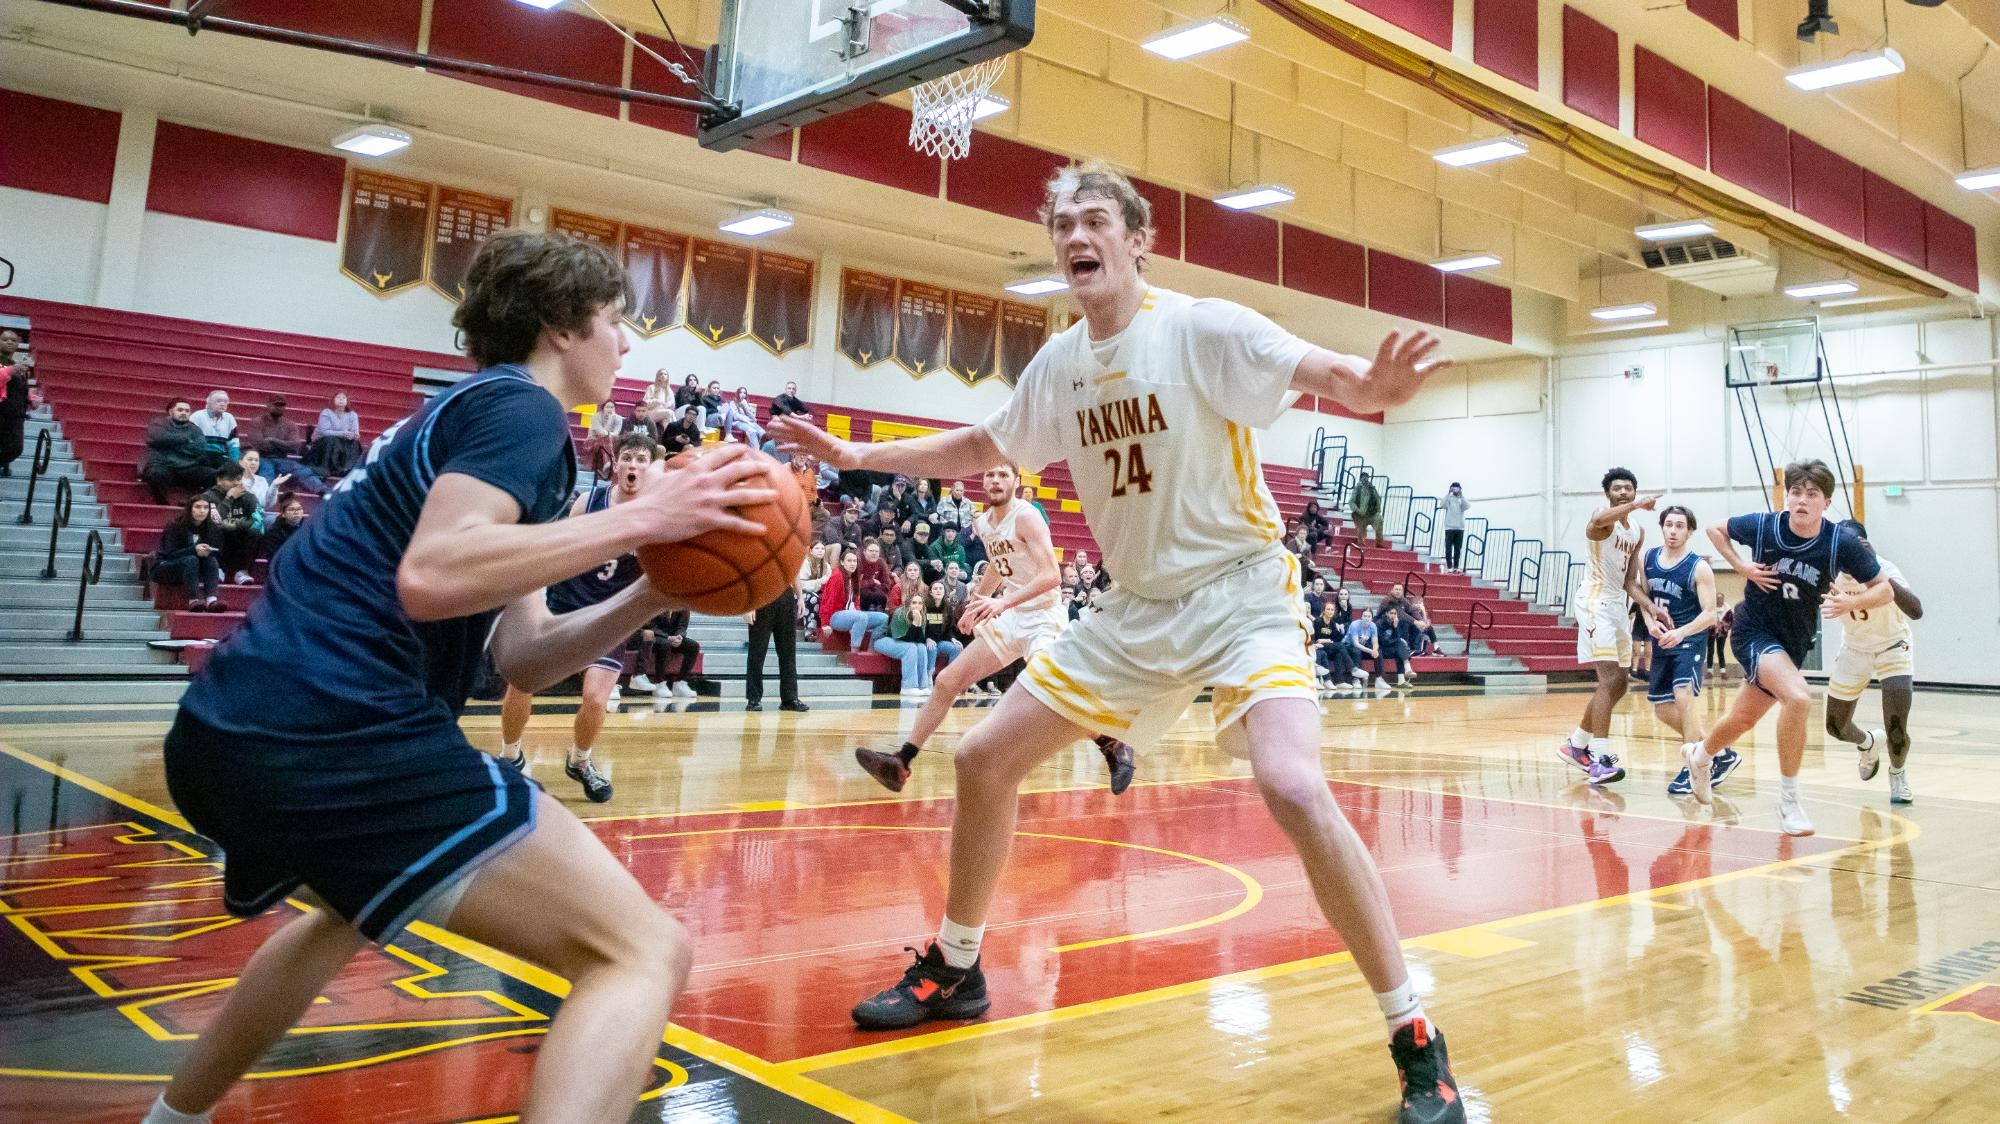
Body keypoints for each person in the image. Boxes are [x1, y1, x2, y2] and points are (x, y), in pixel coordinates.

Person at [770, 160, 1461, 1122]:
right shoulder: (1060, 363)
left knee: (1293, 785)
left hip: (1241, 596)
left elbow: (1318, 369)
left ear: (1141, 240)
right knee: (980, 761)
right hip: (1134, 611)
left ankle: (1414, 1033)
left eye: (1096, 220)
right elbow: (987, 446)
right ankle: (959, 969)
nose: (1075, 238)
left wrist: (1367, 384)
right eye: (1062, 226)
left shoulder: (1200, 328)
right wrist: (857, 455)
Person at [143, 231, 779, 1124]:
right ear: (560, 325)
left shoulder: (468, 420)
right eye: (615, 320)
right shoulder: (521, 412)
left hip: (230, 722)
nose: (626, 345)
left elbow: (523, 655)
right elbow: (435, 574)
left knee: (344, 914)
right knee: (641, 952)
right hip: (338, 727)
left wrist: (651, 586)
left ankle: (171, 1120)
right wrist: (645, 518)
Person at [853, 463, 1136, 794]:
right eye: (990, 475)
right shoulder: (983, 522)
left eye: (1003, 475)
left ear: (1016, 481)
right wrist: (976, 602)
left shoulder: (1027, 516)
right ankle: (901, 762)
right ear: (983, 481)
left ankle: (1113, 744)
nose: (996, 480)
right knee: (947, 681)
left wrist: (1001, 604)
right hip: (1014, 616)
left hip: (1044, 617)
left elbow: (1052, 576)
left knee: (1056, 695)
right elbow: (1000, 569)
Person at [1682, 460, 1889, 836]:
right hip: (1753, 630)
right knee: (1798, 697)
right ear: (1786, 496)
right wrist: (1741, 566)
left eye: (1811, 494)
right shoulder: (1764, 526)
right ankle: (1789, 801)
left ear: (1826, 503)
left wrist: (1851, 604)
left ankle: (1700, 756)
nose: (1801, 500)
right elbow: (1715, 529)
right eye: (1795, 492)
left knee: (1743, 719)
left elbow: (1885, 589)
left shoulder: (1838, 542)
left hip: (1792, 640)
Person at [495, 433, 662, 803]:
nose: (633, 465)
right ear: (615, 465)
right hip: (566, 601)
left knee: (595, 698)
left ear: (651, 469)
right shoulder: (590, 501)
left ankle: (580, 761)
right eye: (628, 458)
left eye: (641, 460)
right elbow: (561, 549)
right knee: (523, 681)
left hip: (610, 615)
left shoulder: (658, 517)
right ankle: (510, 755)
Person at [1555, 468, 1657, 787]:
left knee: (1621, 683)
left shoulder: (1636, 531)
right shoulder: (1602, 518)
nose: (1624, 492)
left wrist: (1650, 606)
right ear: (1608, 494)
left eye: (1629, 487)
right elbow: (1601, 521)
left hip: (1617, 605)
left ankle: (1576, 744)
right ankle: (1599, 758)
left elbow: (1629, 581)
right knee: (1609, 678)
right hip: (1594, 601)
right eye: (1618, 488)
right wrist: (1636, 505)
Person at [1640, 507, 1742, 799]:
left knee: (1683, 696)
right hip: (1662, 641)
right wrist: (1651, 624)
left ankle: (1692, 766)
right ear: (1662, 528)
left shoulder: (1699, 567)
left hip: (1689, 639)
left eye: (1679, 526)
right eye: (1668, 525)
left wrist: (1681, 631)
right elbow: (1645, 602)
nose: (1673, 530)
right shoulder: (1648, 559)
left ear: (1690, 532)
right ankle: (1718, 753)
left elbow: (1710, 615)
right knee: (1662, 709)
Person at [1822, 520, 1924, 805]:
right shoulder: (1829, 570)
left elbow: (1916, 610)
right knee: (1835, 726)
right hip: (1855, 647)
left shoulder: (1885, 569)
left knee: (1896, 725)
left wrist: (1878, 577)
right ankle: (1867, 742)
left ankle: (1898, 773)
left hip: (1893, 645)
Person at [143, 397, 231, 502]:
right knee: (154, 473)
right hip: (164, 465)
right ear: (171, 412)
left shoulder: (195, 429)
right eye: (180, 410)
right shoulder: (159, 424)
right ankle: (162, 502)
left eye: (187, 411)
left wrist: (170, 444)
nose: (184, 413)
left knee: (215, 476)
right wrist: (186, 440)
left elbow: (199, 448)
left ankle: (202, 501)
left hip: (188, 467)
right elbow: (156, 438)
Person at [743, 577, 809, 712]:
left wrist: (800, 597)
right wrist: (748, 605)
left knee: (788, 653)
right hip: (761, 597)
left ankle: (790, 698)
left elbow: (794, 571)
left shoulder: (788, 554)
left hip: (786, 596)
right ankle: (753, 698)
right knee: (757, 651)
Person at [239, 397, 328, 495]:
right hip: (261, 457)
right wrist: (283, 445)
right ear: (268, 405)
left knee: (301, 470)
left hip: (281, 459)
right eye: (276, 405)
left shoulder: (290, 424)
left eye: (281, 405)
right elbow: (258, 444)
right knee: (267, 471)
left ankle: (322, 490)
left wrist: (273, 440)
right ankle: (264, 496)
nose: (279, 408)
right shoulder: (257, 422)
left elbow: (295, 446)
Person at [155, 494, 224, 611]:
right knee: (192, 559)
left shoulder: (212, 529)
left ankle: (212, 600)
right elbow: (169, 555)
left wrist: (208, 552)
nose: (202, 511)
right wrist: (194, 550)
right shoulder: (175, 526)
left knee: (210, 560)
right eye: (198, 507)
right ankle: (193, 600)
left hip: (193, 569)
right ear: (190, 509)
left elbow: (218, 552)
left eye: (205, 508)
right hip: (166, 566)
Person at [874, 567, 937, 697]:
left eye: (920, 603)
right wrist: (915, 624)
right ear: (908, 603)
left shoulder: (922, 615)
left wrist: (918, 624)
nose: (917, 606)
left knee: (920, 647)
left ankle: (923, 685)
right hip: (881, 640)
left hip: (903, 640)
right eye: (914, 603)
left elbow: (919, 639)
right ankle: (908, 686)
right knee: (911, 648)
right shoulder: (899, 613)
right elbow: (902, 639)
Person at [202, 463, 264, 586]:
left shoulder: (249, 497)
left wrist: (236, 526)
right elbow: (214, 521)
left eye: (238, 479)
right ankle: (216, 569)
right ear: (219, 480)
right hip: (216, 542)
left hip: (238, 542)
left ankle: (242, 571)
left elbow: (257, 521)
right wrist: (229, 499)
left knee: (255, 531)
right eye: (231, 480)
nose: (236, 483)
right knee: (214, 528)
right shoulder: (207, 497)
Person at [817, 545, 889, 649]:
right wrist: (825, 624)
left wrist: (856, 613)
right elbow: (828, 601)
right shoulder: (837, 576)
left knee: (884, 618)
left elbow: (856, 603)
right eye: (849, 561)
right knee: (861, 616)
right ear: (842, 562)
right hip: (836, 617)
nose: (852, 564)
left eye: (854, 561)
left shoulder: (855, 578)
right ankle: (855, 651)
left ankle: (872, 649)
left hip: (852, 615)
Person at [630, 609, 700, 700]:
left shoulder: (682, 604)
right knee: (665, 643)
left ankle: (680, 683)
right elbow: (650, 626)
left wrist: (680, 637)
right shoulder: (659, 601)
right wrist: (667, 637)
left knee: (693, 646)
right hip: (656, 636)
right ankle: (659, 682)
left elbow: (682, 626)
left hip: (672, 637)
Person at [2, 330, 35, 476]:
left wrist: (30, 399)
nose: (10, 342)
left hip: (16, 414)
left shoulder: (18, 364)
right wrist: (14, 370)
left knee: (16, 448)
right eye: (5, 339)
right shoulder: (14, 367)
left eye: (13, 340)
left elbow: (19, 388)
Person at [306, 391, 363, 475]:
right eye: (338, 398)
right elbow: (324, 432)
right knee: (332, 440)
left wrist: (354, 436)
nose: (341, 400)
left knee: (355, 443)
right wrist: (343, 433)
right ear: (333, 400)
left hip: (342, 442)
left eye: (344, 398)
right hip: (324, 441)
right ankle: (327, 468)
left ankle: (347, 468)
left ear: (347, 401)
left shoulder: (352, 415)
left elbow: (355, 432)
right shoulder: (326, 412)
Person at [1310, 598, 1359, 694]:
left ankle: (1339, 681)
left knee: (1339, 653)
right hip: (1318, 647)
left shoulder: (1332, 623)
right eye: (1328, 609)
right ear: (1324, 610)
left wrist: (1340, 630)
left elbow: (1335, 639)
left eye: (1332, 610)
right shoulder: (1317, 622)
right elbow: (1316, 638)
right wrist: (1326, 640)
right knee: (1337, 648)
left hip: (1328, 647)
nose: (1330, 611)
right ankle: (1352, 668)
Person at [194, 391, 239, 458]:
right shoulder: (197, 416)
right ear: (209, 403)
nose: (222, 404)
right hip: (201, 459)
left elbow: (234, 445)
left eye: (225, 401)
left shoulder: (229, 418)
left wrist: (234, 464)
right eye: (219, 401)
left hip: (222, 459)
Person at [585, 396, 625, 470]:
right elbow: (601, 434)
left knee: (609, 438)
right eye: (607, 407)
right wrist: (609, 421)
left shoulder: (618, 418)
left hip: (610, 442)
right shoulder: (595, 417)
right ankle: (611, 462)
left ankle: (608, 463)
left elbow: (616, 433)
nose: (610, 409)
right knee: (605, 438)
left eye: (612, 407)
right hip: (592, 442)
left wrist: (609, 435)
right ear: (603, 409)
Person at [1349, 469, 1384, 548]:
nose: (1365, 479)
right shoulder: (1357, 489)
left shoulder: (1372, 488)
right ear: (1360, 478)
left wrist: (1378, 510)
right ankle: (1361, 543)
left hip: (1372, 514)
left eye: (1366, 477)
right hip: (1360, 514)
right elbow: (1351, 502)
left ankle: (1379, 542)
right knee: (1361, 527)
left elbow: (1378, 498)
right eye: (1363, 477)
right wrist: (1358, 510)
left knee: (1379, 519)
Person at [1440, 483, 1469, 570]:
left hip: (1460, 527)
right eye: (1454, 488)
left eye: (1457, 488)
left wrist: (1461, 495)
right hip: (1449, 527)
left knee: (1458, 549)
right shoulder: (1449, 498)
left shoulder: (1462, 499)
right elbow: (1442, 504)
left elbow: (1467, 506)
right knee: (1448, 548)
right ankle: (1449, 566)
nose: (1456, 490)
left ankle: (1456, 567)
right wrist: (1448, 493)